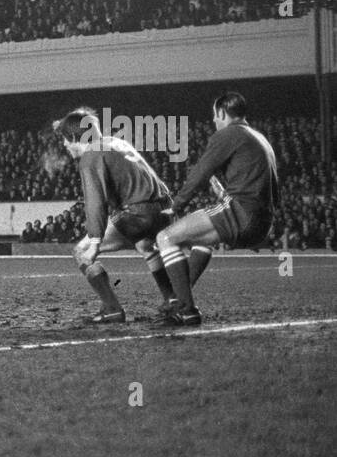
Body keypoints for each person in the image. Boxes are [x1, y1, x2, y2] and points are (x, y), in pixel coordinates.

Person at [155, 91, 280, 326]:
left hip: (240, 213)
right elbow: (271, 188)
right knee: (202, 240)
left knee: (165, 238)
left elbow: (200, 173)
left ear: (223, 113)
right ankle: (179, 300)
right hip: (262, 222)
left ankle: (186, 308)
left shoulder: (228, 134)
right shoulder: (260, 138)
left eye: (215, 116)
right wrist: (224, 193)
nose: (213, 121)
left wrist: (177, 205)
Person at [51, 107, 178, 324]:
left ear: (74, 137)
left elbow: (95, 204)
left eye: (65, 139)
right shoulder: (117, 143)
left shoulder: (90, 157)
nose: (64, 145)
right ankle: (171, 299)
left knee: (80, 251)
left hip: (138, 214)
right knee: (146, 246)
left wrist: (95, 241)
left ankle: (111, 308)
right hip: (163, 209)